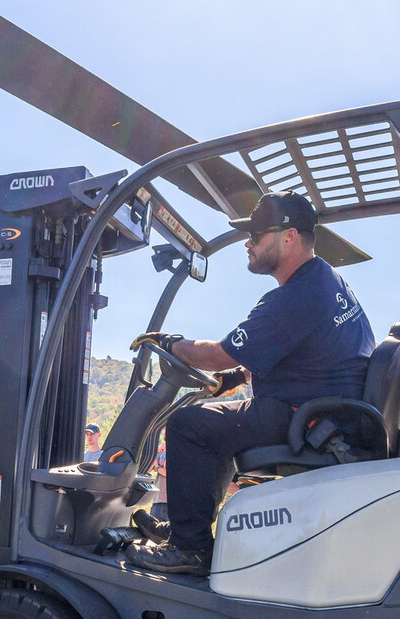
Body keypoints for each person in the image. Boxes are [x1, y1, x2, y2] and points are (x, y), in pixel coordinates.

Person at [122, 193, 373, 575]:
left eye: (256, 235)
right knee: (218, 422)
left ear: (288, 237)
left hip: (307, 421)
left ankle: (190, 549)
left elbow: (218, 354)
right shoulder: (326, 281)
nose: (248, 243)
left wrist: (170, 343)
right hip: (325, 414)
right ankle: (190, 529)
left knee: (189, 425)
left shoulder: (294, 298)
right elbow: (298, 354)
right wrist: (235, 379)